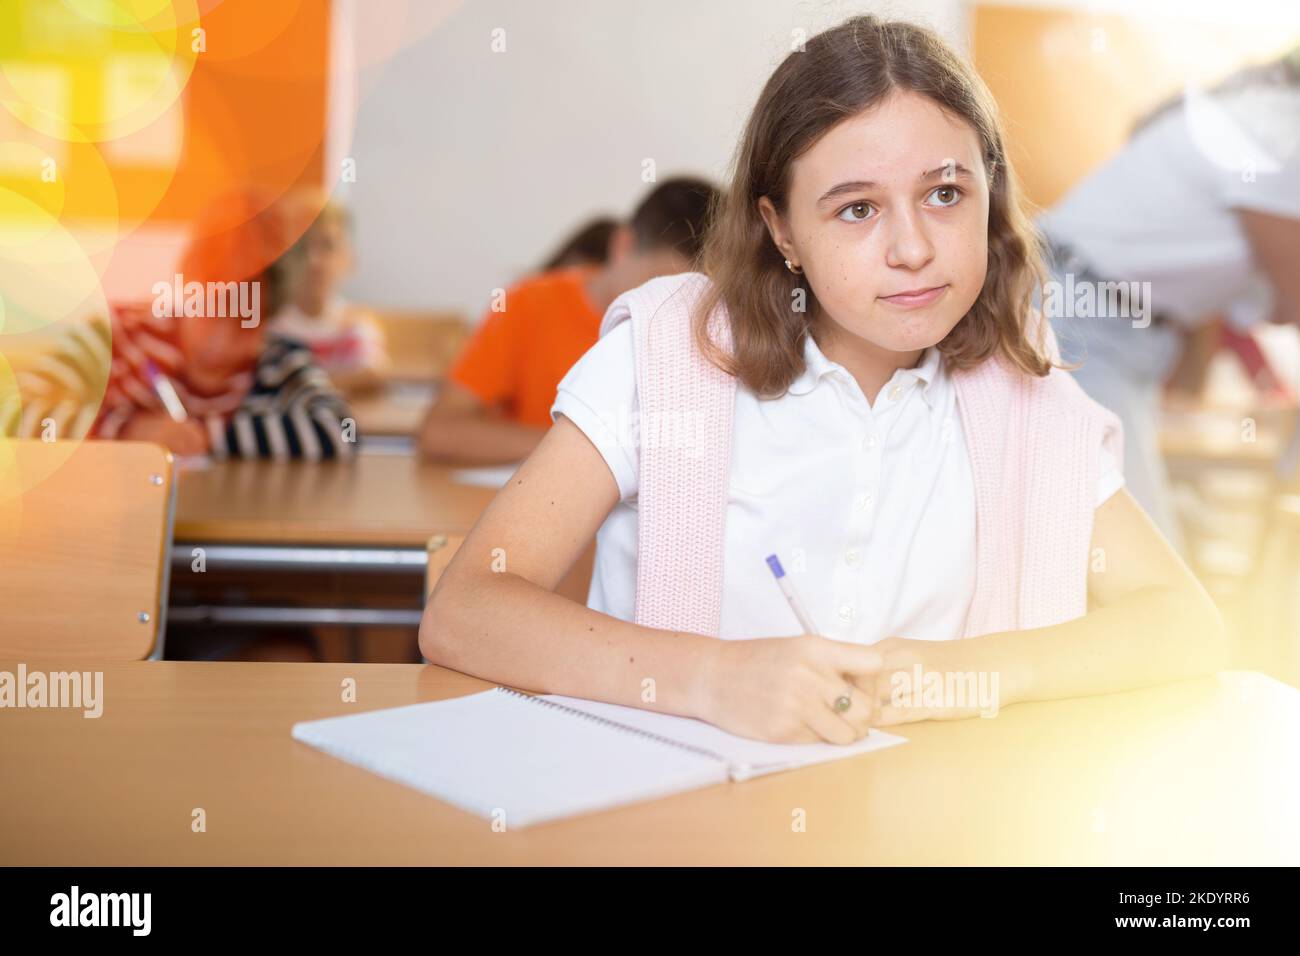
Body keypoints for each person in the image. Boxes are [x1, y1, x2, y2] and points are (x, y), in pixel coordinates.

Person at [418, 15, 1228, 745]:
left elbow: (1184, 624)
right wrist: (712, 677)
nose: (912, 247)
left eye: (945, 194)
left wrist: (978, 673)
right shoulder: (666, 353)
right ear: (781, 230)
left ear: (990, 192)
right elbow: (466, 610)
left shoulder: (1028, 391)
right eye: (857, 210)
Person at [1038, 45, 1300, 551]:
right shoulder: (1280, 132)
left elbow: (1270, 301)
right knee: (1145, 564)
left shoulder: (1256, 116)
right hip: (1077, 322)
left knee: (1129, 555)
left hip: (1099, 323)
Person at [418, 177, 717, 464]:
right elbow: (440, 432)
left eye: (691, 297)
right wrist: (591, 451)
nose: (666, 307)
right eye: (656, 283)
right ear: (623, 245)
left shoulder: (705, 327)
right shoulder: (528, 304)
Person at [94, 190, 357, 461]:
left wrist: (207, 435)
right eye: (212, 308)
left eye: (240, 322)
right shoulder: (127, 337)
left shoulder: (280, 364)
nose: (218, 342)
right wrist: (132, 430)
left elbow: (340, 431)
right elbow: (51, 419)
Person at [268, 194, 389, 395]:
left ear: (350, 258)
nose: (314, 261)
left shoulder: (354, 327)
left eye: (328, 246)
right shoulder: (269, 330)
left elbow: (373, 373)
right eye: (301, 248)